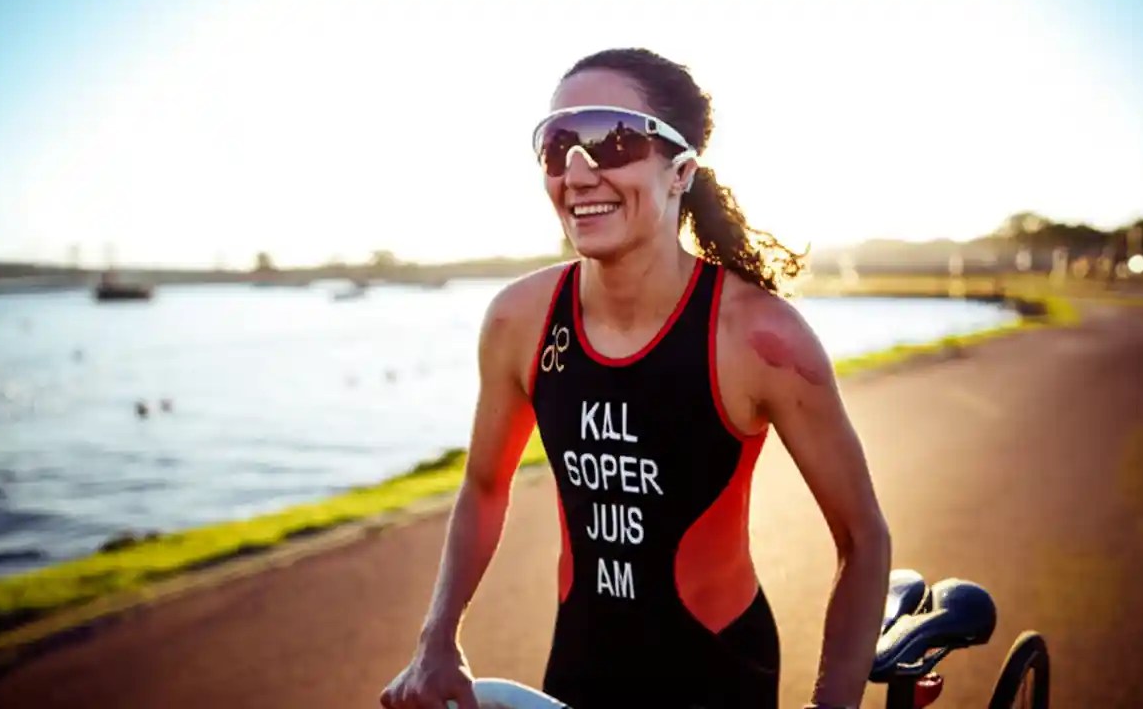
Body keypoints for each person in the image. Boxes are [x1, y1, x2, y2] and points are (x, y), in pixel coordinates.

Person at [380, 47, 891, 709]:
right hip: (580, 669)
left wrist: (836, 704)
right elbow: (483, 487)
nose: (578, 171)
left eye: (611, 140)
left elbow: (863, 536)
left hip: (718, 674)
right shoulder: (519, 321)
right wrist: (436, 641)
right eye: (558, 145)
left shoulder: (761, 339)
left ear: (680, 171)